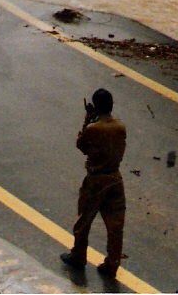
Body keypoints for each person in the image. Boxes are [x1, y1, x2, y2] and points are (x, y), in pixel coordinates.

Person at [60, 87, 126, 278]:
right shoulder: (121, 126)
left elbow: (82, 146)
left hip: (96, 179)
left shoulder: (93, 128)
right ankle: (112, 264)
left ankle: (79, 256)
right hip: (115, 178)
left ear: (95, 107)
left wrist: (87, 120)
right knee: (115, 225)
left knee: (84, 220)